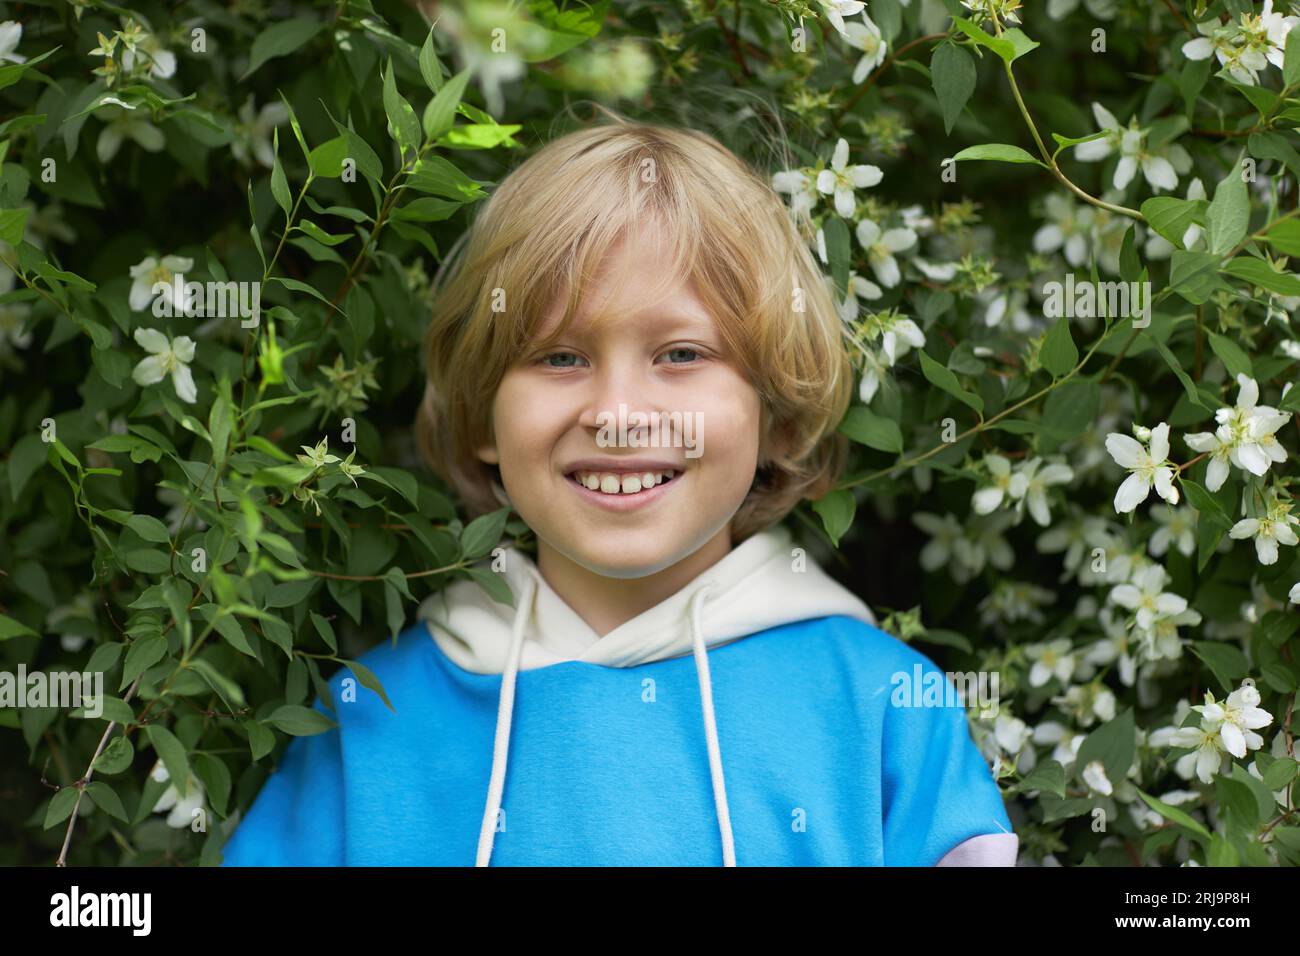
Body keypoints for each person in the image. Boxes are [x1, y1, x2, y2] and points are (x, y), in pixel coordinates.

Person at [219, 110, 1017, 867]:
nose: (619, 417)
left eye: (681, 354)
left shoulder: (885, 706)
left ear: (775, 414)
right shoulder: (369, 725)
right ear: (482, 418)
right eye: (560, 358)